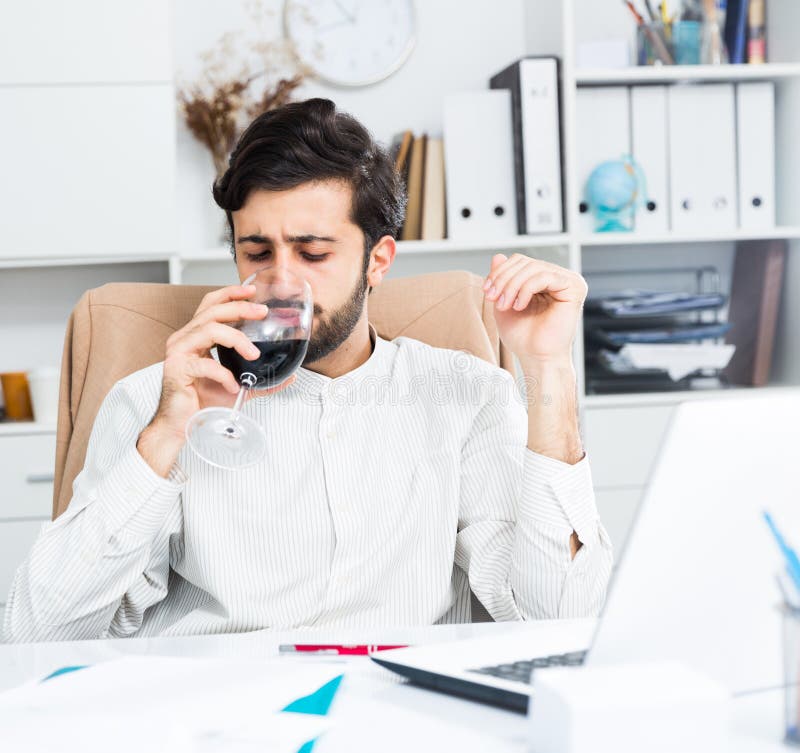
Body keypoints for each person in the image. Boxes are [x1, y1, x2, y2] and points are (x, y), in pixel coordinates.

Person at [2, 98, 612, 642]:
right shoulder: (155, 400)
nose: (281, 282)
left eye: (313, 252)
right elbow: (36, 634)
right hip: (214, 712)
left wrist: (548, 366)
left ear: (378, 260)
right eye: (257, 252)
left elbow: (558, 617)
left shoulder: (470, 393)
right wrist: (163, 437)